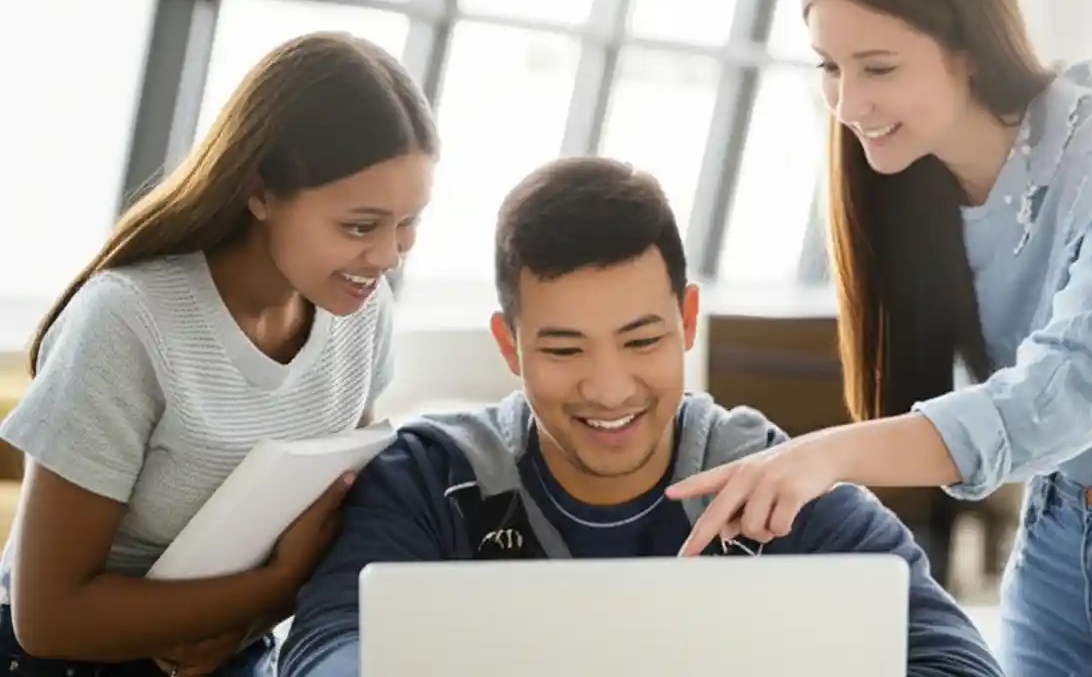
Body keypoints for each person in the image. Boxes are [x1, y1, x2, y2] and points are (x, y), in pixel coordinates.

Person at [668, 0, 1092, 674]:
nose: (848, 104)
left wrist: (824, 454)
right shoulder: (914, 177)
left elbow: (1060, 401)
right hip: (1060, 534)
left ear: (969, 48)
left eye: (879, 68)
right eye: (830, 67)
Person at [277, 156, 1001, 676]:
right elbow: (324, 645)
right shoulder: (430, 479)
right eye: (564, 349)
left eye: (642, 340)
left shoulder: (766, 478)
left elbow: (952, 658)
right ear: (510, 346)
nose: (609, 388)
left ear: (687, 321)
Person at [0, 32, 439, 676]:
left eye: (409, 223)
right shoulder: (129, 320)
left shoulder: (361, 312)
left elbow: (344, 513)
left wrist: (248, 622)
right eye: (359, 226)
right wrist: (270, 591)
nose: (390, 255)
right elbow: (45, 619)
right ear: (259, 191)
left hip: (233, 653)